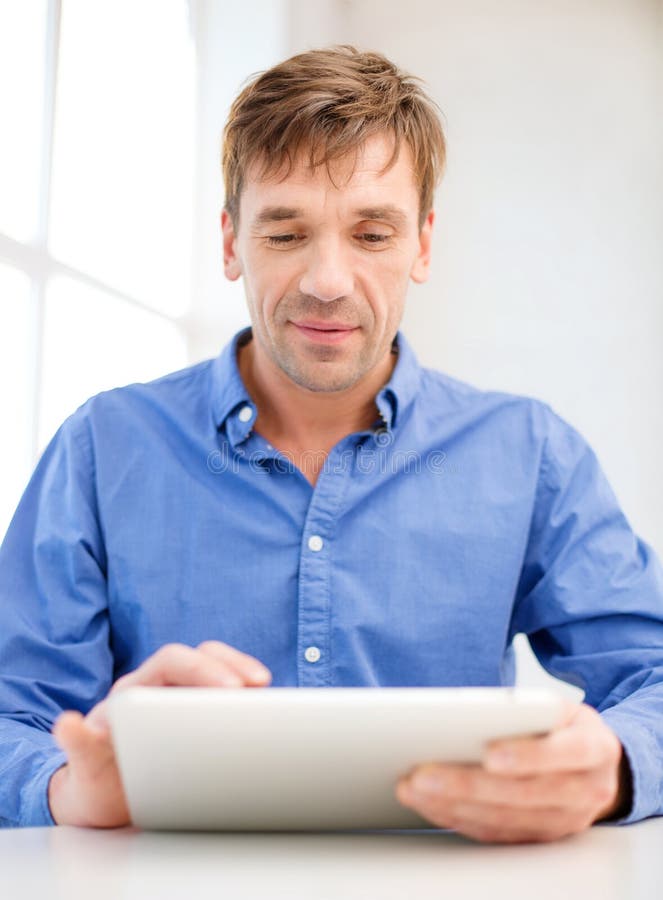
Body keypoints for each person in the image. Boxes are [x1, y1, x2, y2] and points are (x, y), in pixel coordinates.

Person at [1, 45, 662, 843]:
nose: (327, 280)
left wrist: (615, 763)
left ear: (421, 243)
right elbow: (14, 710)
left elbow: (651, 678)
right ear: (228, 242)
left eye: (371, 233)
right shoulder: (103, 449)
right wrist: (71, 786)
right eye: (285, 233)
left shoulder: (530, 455)